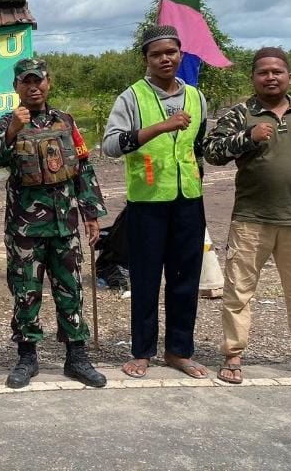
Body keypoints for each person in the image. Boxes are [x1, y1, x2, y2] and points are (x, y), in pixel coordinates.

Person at [204, 47, 291, 384]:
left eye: (277, 71)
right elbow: (212, 152)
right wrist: (247, 137)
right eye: (263, 72)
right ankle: (233, 355)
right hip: (251, 220)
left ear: (289, 77)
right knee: (238, 292)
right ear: (253, 78)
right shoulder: (240, 114)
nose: (270, 77)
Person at [0, 58, 108, 388]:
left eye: (38, 80)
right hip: (25, 229)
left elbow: (83, 167)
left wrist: (91, 214)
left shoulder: (66, 122)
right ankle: (27, 357)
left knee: (71, 291)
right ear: (16, 87)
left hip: (65, 225)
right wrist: (12, 130)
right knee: (26, 292)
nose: (33, 86)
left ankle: (77, 357)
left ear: (48, 83)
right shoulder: (6, 123)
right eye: (26, 81)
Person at [101, 25, 209, 379]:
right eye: (156, 54)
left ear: (181, 55)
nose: (165, 59)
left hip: (188, 201)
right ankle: (142, 351)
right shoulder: (131, 98)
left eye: (171, 52)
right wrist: (160, 127)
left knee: (185, 278)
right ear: (146, 59)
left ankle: (179, 351)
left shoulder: (196, 96)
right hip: (147, 202)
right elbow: (111, 146)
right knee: (146, 279)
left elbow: (200, 144)